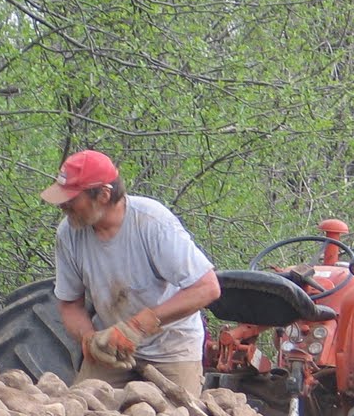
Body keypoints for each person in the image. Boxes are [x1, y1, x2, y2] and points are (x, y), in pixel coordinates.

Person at [40, 149, 221, 397]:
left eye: (71, 198)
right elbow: (70, 305)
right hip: (112, 351)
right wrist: (90, 340)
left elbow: (207, 288)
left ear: (103, 195)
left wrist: (138, 326)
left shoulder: (152, 222)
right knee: (81, 409)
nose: (63, 205)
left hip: (171, 348)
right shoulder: (69, 233)